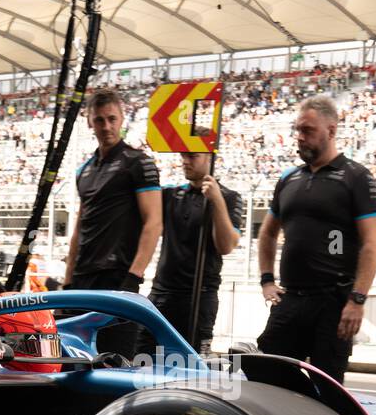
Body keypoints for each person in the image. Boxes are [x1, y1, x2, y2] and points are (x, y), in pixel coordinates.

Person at [256, 95, 376, 383]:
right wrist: (266, 281)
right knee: (265, 374)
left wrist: (357, 300)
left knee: (328, 388)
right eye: (298, 130)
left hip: (334, 302)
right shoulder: (289, 178)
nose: (300, 137)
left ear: (331, 131)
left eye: (308, 131)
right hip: (290, 298)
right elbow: (267, 233)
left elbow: (371, 244)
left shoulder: (356, 178)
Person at [63, 88, 162, 359]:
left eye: (112, 118)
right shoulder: (84, 170)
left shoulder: (139, 162)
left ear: (122, 118)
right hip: (83, 279)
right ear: (89, 122)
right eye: (99, 120)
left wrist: (133, 278)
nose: (106, 126)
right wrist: (69, 279)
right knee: (73, 360)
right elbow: (79, 227)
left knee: (116, 362)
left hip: (118, 278)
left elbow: (154, 223)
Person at [143, 151, 243, 354]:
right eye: (183, 156)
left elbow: (226, 246)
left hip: (200, 298)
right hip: (161, 294)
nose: (185, 161)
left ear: (210, 158)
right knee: (143, 361)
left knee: (191, 369)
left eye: (193, 156)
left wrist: (216, 200)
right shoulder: (171, 194)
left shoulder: (229, 197)